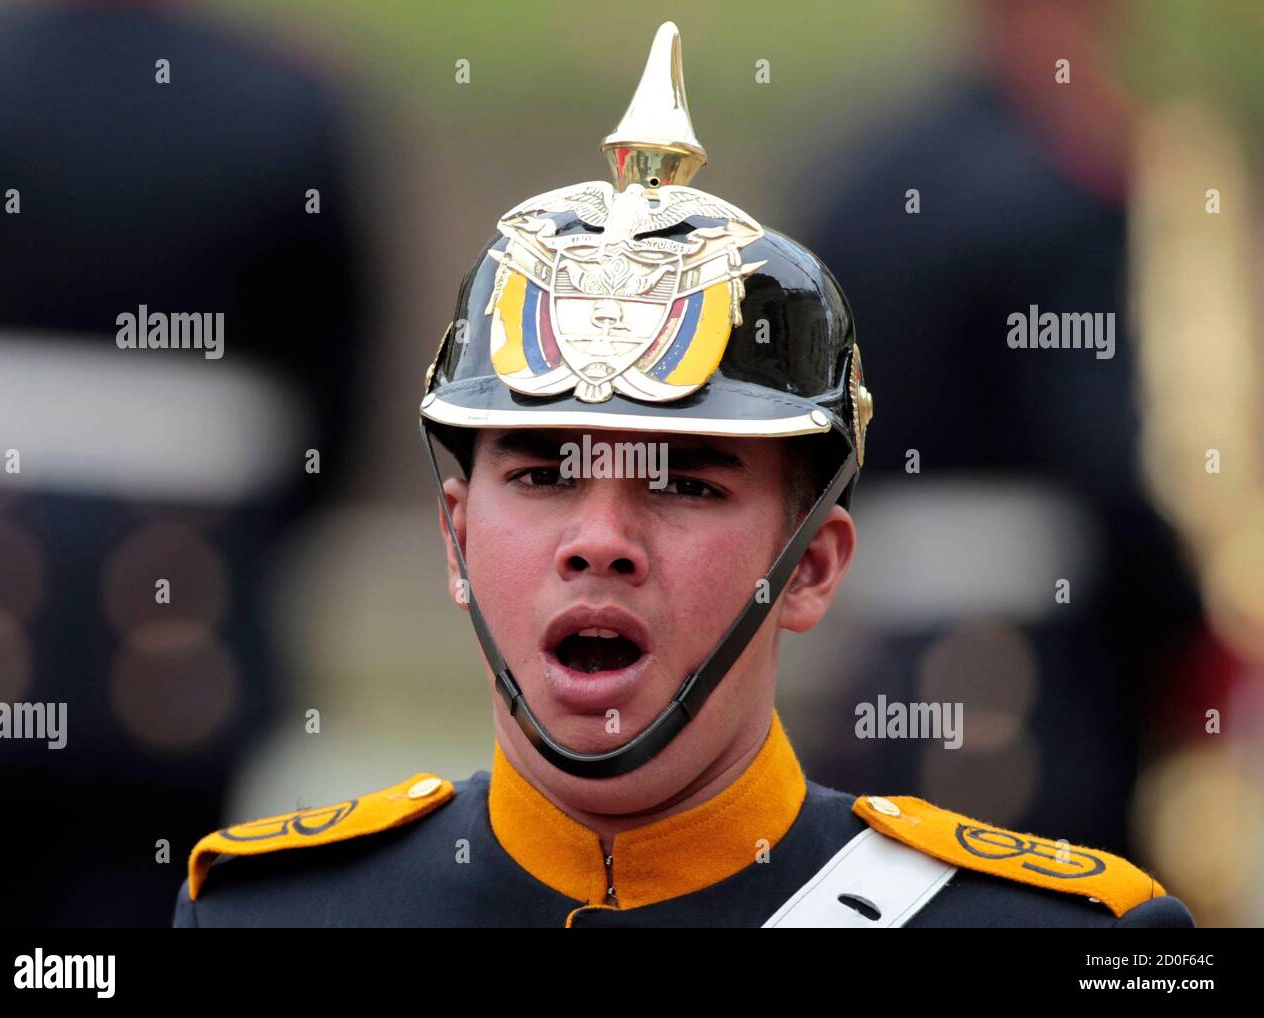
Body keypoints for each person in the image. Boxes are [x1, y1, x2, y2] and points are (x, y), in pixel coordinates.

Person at [172, 22, 1192, 928]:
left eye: (685, 483)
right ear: (455, 536)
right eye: (542, 474)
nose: (600, 537)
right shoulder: (273, 912)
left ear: (812, 566)